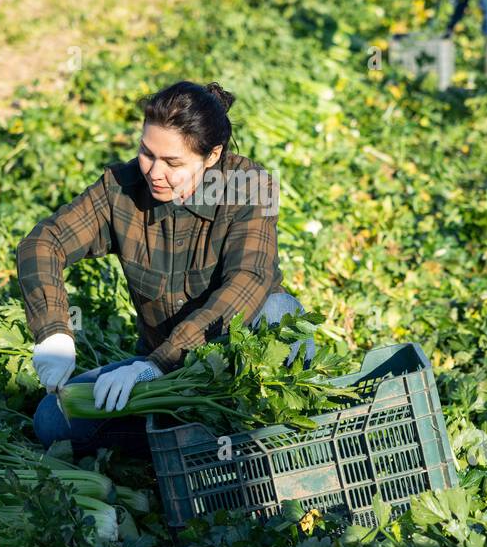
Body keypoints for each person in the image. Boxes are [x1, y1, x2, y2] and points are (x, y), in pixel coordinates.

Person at [17, 80, 313, 457]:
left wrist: (161, 362)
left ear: (212, 155)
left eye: (173, 162)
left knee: (277, 312)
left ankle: (268, 438)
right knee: (53, 420)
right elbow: (44, 242)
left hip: (238, 364)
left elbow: (247, 282)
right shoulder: (121, 190)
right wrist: (54, 332)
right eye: (147, 152)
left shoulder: (248, 188)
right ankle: (193, 442)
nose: (155, 172)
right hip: (167, 376)